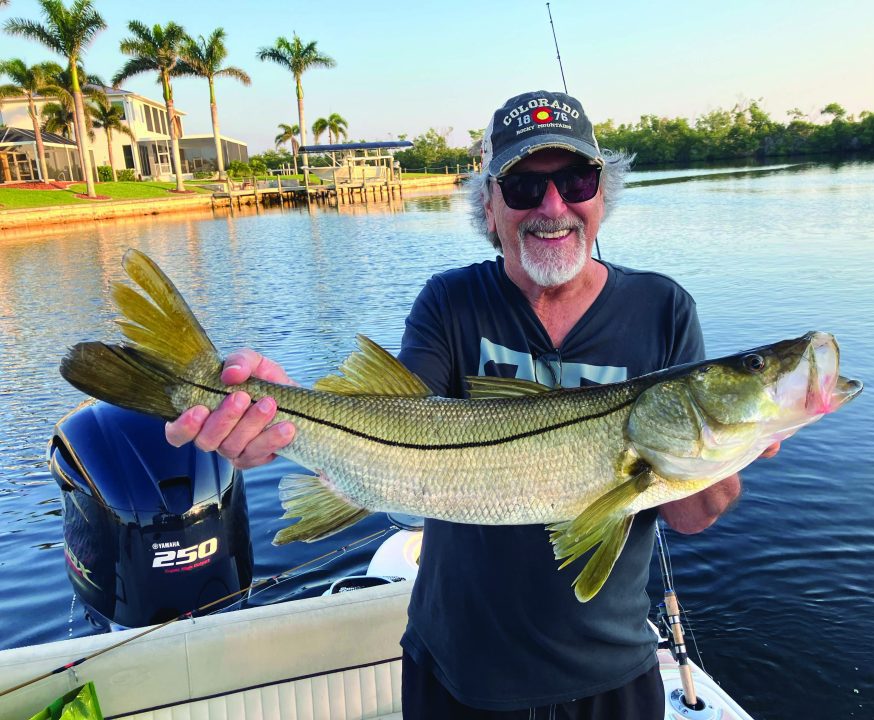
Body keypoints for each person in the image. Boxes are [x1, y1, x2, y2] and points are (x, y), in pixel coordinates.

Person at [166, 90, 779, 719]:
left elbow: (689, 517)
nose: (552, 206)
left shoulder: (663, 309)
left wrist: (723, 456)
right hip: (457, 668)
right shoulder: (449, 302)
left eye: (575, 179)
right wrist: (270, 414)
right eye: (521, 187)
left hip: (613, 674)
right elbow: (396, 424)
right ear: (488, 205)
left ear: (603, 194)